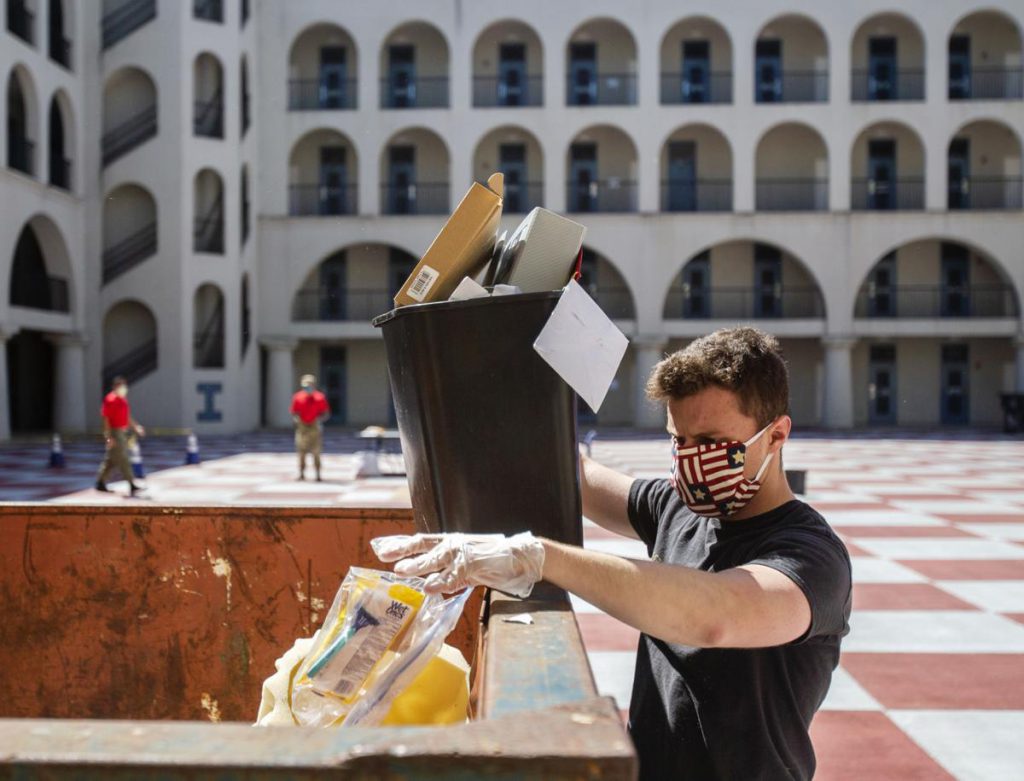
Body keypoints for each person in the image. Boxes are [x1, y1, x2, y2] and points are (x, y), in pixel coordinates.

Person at [373, 327, 852, 780]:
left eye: (710, 443)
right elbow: (571, 472)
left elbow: (715, 615)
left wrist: (536, 556)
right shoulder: (676, 509)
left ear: (776, 434)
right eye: (678, 440)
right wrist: (492, 369)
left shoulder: (811, 557)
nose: (691, 460)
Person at [95, 375, 145, 496]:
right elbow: (105, 419)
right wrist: (108, 437)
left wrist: (136, 427)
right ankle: (131, 483)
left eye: (124, 385)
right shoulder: (110, 400)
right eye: (121, 385)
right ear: (115, 386)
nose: (124, 388)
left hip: (122, 431)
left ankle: (100, 482)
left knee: (111, 460)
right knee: (123, 458)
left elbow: (127, 417)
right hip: (114, 432)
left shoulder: (122, 400)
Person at [290, 374, 331, 481]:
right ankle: (301, 473)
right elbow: (294, 412)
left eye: (309, 385)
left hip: (314, 426)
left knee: (316, 451)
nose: (307, 388)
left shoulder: (319, 397)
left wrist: (319, 420)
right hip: (302, 427)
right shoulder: (298, 397)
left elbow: (326, 413)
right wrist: (296, 420)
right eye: (305, 386)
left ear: (313, 385)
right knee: (301, 450)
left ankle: (318, 474)